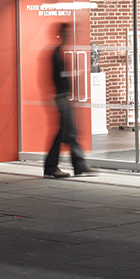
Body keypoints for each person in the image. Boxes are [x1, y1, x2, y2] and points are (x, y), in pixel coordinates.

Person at [43, 19, 92, 178]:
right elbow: (54, 79)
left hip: (64, 98)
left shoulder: (60, 53)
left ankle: (79, 165)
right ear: (60, 34)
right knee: (65, 133)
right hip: (61, 98)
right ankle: (53, 166)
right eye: (66, 33)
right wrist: (60, 97)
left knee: (69, 132)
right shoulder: (55, 54)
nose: (69, 36)